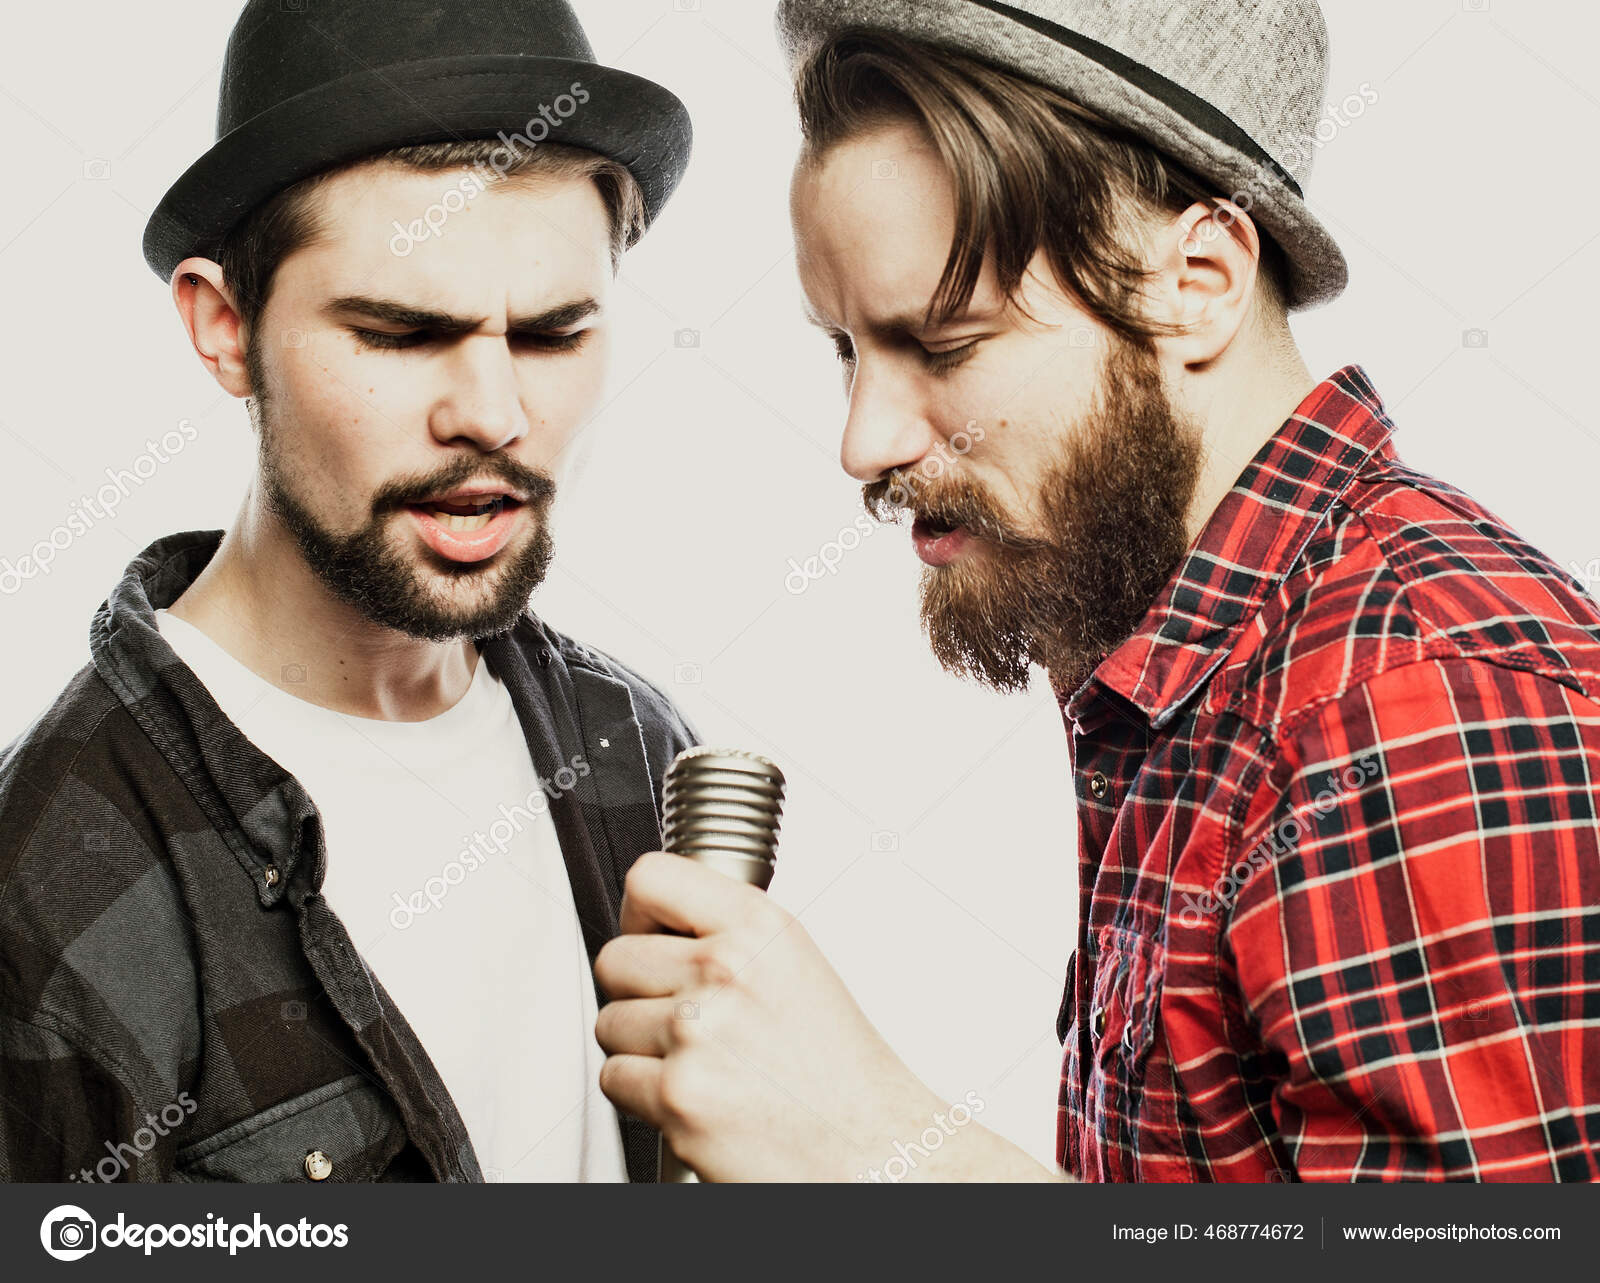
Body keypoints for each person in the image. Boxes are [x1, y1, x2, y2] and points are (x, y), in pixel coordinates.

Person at [595, 0, 1600, 1182]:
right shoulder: (1187, 661)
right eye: (845, 349)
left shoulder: (1408, 700)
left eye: (945, 343)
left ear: (1201, 279)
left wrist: (879, 1153)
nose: (862, 440)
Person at [0, 0, 698, 1183]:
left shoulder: (632, 745)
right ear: (225, 327)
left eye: (550, 333)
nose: (492, 413)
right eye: (401, 332)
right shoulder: (51, 883)